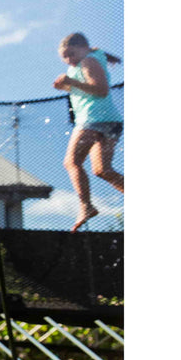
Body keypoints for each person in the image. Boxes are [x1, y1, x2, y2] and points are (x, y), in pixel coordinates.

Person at [52, 33, 124, 232]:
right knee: (102, 170)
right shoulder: (92, 56)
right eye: (64, 57)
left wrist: (72, 83)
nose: (69, 60)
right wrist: (65, 86)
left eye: (71, 54)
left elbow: (101, 90)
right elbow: (88, 89)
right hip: (109, 121)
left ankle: (86, 206)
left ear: (83, 48)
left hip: (93, 119)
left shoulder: (88, 61)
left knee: (71, 162)